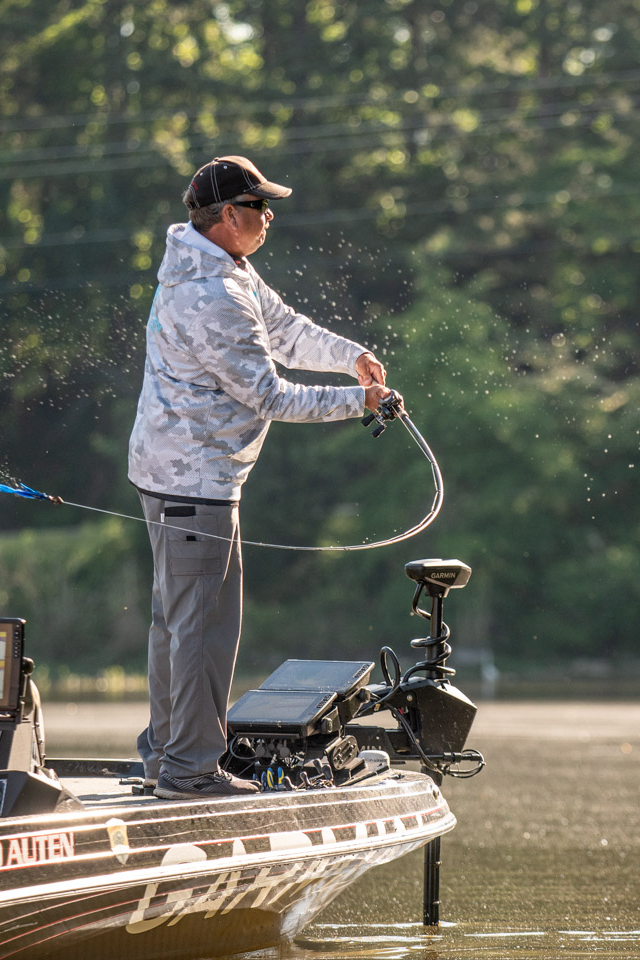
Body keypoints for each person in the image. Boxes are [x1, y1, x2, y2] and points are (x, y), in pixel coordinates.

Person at [127, 155, 393, 800]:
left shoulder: (223, 269)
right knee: (203, 630)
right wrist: (358, 402)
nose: (269, 216)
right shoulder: (213, 295)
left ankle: (165, 759)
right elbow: (270, 396)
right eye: (259, 206)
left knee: (178, 625)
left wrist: (351, 357)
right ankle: (189, 770)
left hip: (183, 476)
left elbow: (285, 330)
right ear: (228, 215)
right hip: (195, 482)